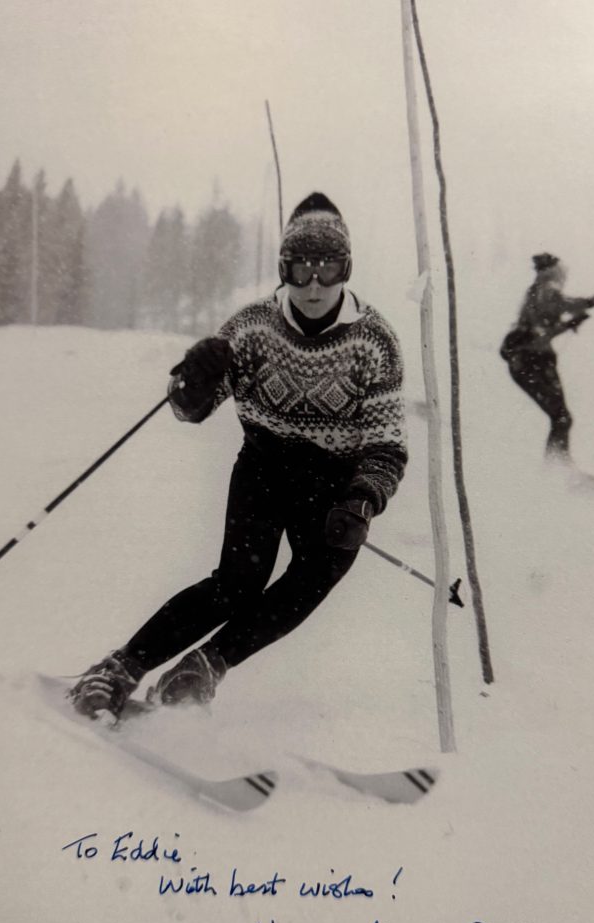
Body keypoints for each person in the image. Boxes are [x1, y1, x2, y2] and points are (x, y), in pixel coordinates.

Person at [70, 192, 408, 718]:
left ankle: (202, 667)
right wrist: (193, 382)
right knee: (237, 584)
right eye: (301, 270)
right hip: (266, 469)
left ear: (347, 269)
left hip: (334, 484)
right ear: (284, 270)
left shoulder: (375, 341)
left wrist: (363, 499)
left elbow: (386, 443)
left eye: (328, 269)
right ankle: (116, 669)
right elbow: (190, 408)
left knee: (319, 571)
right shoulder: (253, 327)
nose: (314, 285)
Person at [500, 253, 594, 457]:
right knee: (562, 417)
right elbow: (561, 305)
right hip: (534, 362)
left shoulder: (535, 292)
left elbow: (543, 329)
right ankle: (557, 468)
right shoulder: (548, 289)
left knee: (561, 417)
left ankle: (557, 466)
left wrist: (570, 323)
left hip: (526, 361)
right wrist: (590, 302)